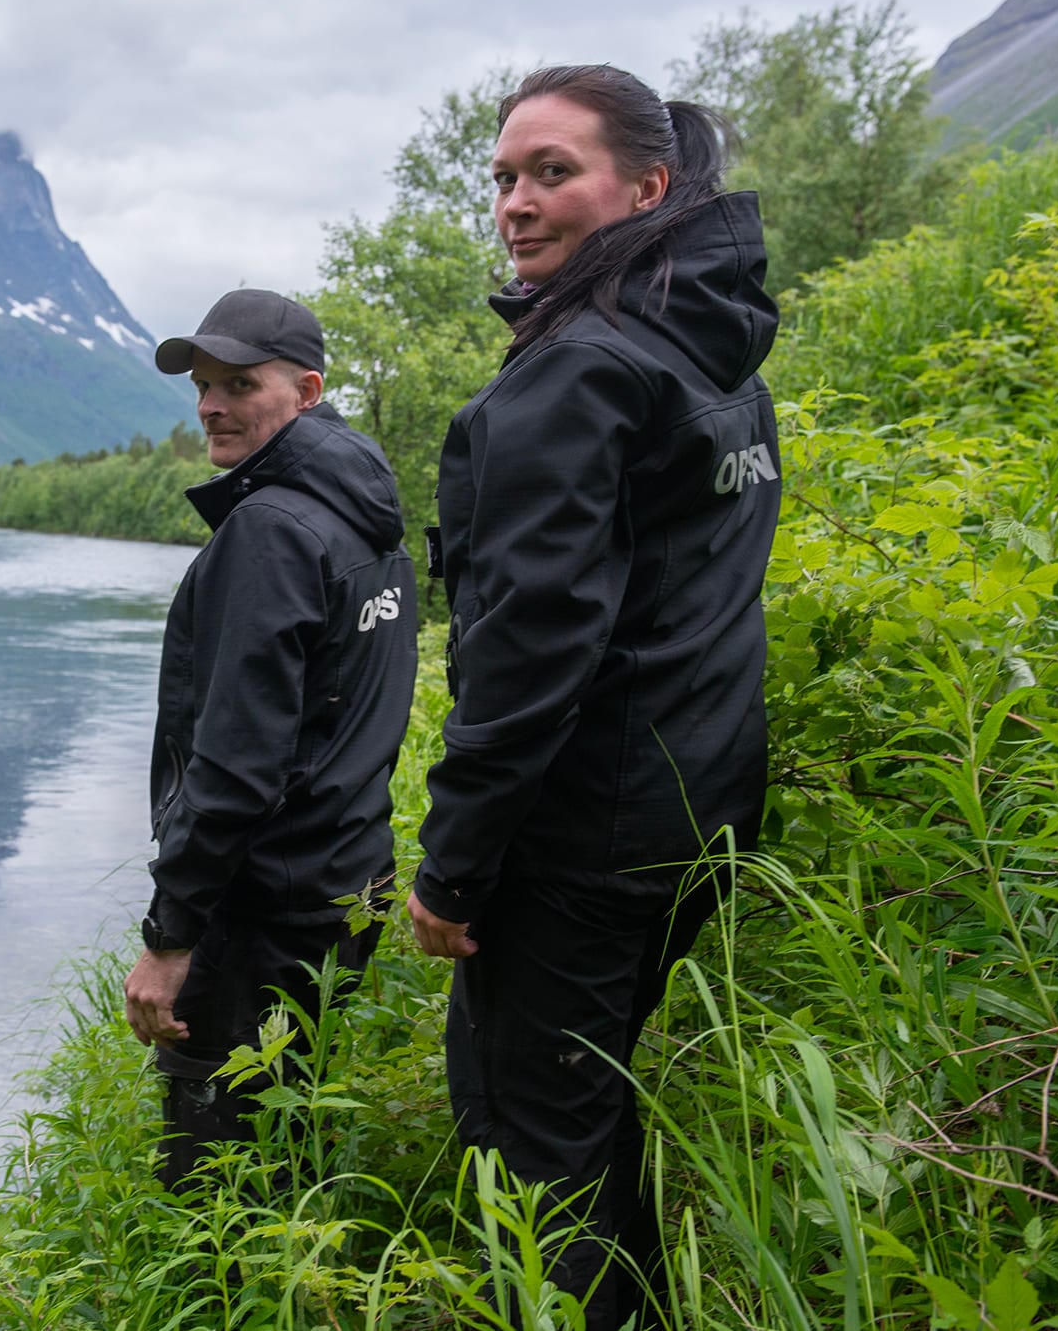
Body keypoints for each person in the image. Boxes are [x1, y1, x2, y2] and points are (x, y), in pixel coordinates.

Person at [406, 65, 781, 1330]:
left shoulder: (576, 373)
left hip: (582, 837)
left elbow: (529, 650)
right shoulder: (714, 357)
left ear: (645, 187)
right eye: (503, 177)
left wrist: (451, 867)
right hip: (696, 805)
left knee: (533, 1153)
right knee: (593, 1109)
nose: (513, 202)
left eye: (550, 172)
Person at [123, 287, 418, 1190]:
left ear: (308, 390)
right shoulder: (364, 517)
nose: (212, 403)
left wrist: (171, 937)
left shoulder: (271, 530)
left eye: (240, 384)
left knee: (215, 1174)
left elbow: (237, 764)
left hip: (263, 907)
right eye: (203, 384)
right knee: (290, 1127)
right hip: (347, 879)